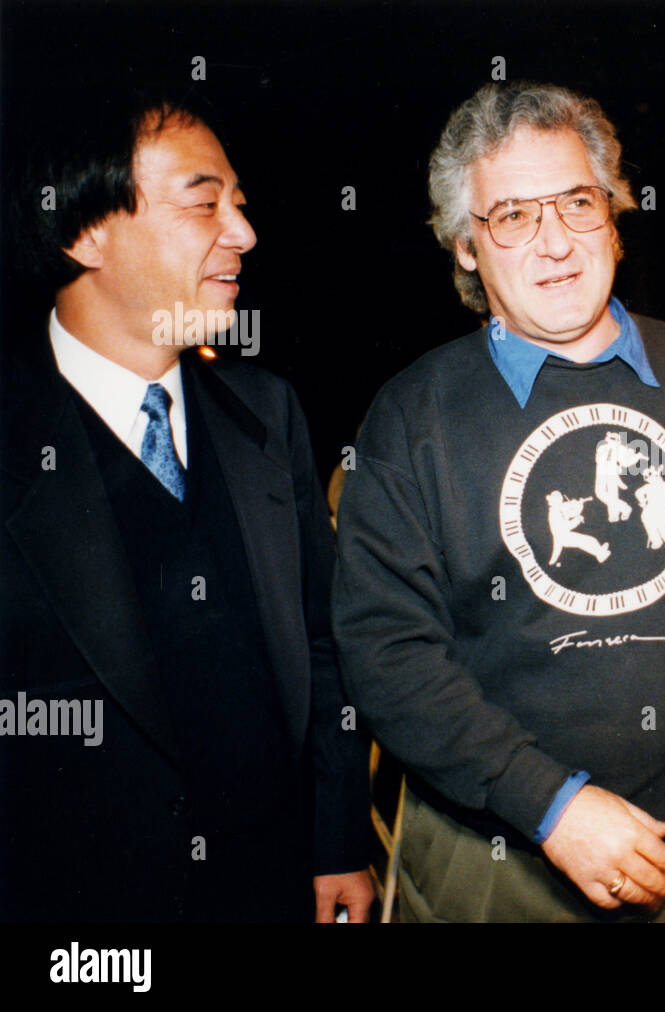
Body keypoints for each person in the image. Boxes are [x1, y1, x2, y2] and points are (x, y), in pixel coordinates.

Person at [332, 81, 665, 922]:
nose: (555, 243)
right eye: (513, 215)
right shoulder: (411, 415)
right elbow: (387, 654)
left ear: (614, 216)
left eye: (577, 203)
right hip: (497, 874)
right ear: (466, 247)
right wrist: (550, 804)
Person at [0, 91, 373, 922]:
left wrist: (339, 839)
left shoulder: (267, 413)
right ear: (82, 230)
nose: (243, 233)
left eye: (239, 204)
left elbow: (323, 646)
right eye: (206, 203)